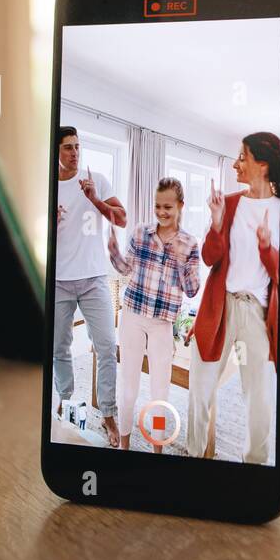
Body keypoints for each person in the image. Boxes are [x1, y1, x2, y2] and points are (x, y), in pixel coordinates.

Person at [187, 132, 280, 464]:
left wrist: (267, 246)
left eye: (243, 156)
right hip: (220, 306)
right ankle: (193, 460)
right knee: (199, 391)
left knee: (259, 400)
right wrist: (215, 223)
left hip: (255, 311)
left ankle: (254, 467)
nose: (235, 163)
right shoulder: (229, 203)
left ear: (263, 164)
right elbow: (210, 258)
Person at [108, 177, 201, 452]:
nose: (161, 213)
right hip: (133, 316)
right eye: (158, 206)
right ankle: (124, 445)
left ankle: (156, 449)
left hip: (162, 323)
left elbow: (193, 289)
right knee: (129, 385)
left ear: (181, 206)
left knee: (160, 390)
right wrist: (113, 251)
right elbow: (125, 269)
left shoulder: (189, 243)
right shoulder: (140, 233)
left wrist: (180, 261)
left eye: (168, 207)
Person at [53, 126, 127, 447]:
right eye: (68, 147)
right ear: (56, 151)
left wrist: (94, 198)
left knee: (107, 346)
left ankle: (108, 413)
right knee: (59, 348)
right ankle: (63, 401)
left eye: (77, 146)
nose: (74, 152)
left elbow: (121, 219)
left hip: (95, 278)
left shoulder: (96, 180)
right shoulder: (47, 186)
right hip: (58, 280)